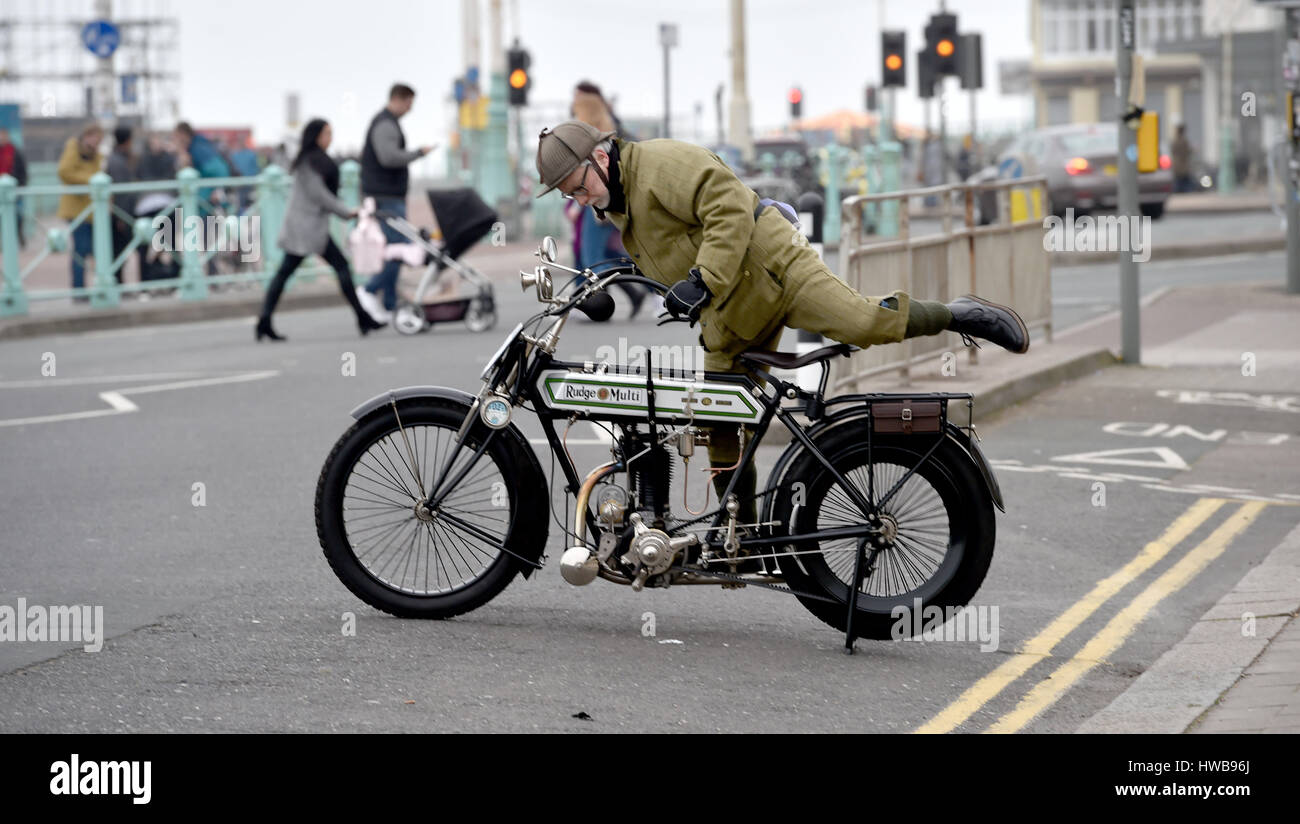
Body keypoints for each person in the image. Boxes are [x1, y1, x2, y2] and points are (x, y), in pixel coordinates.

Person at [535, 119, 1030, 530]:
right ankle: (740, 534)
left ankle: (962, 314)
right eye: (567, 195)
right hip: (732, 308)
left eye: (577, 187)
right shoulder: (620, 207)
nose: (577, 199)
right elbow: (665, 252)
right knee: (721, 416)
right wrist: (601, 285)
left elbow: (727, 205)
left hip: (776, 268)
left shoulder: (659, 164)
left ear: (600, 159)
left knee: (860, 322)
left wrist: (702, 279)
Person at [256, 119, 385, 342]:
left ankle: (264, 321)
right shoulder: (309, 163)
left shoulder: (314, 161)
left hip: (310, 228)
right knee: (337, 267)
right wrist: (347, 212)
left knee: (287, 272)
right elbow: (321, 196)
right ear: (316, 136)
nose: (330, 138)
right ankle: (362, 318)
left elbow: (323, 196)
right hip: (306, 229)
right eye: (326, 133)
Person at [355, 83, 435, 322]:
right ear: (399, 99)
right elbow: (388, 157)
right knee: (400, 249)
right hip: (385, 197)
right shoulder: (385, 124)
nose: (410, 109)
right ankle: (370, 290)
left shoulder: (385, 122)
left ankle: (389, 305)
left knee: (392, 251)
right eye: (409, 103)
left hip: (386, 195)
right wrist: (418, 153)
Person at [570, 80, 645, 317]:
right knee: (606, 255)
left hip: (596, 204)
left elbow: (585, 177)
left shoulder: (587, 138)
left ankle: (597, 306)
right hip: (609, 199)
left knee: (592, 257)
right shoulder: (610, 131)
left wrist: (575, 203)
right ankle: (637, 291)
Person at [57, 123, 104, 298]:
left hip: (91, 209)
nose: (96, 143)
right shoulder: (73, 147)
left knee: (94, 249)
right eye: (95, 138)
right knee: (81, 249)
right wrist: (92, 180)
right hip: (76, 209)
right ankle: (79, 289)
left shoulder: (97, 154)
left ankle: (98, 286)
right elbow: (64, 171)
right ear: (87, 135)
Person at [106, 125, 136, 284]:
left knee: (119, 253)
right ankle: (117, 285)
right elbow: (120, 191)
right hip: (120, 214)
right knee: (118, 252)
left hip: (120, 212)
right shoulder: (117, 160)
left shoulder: (115, 158)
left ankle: (118, 285)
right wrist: (120, 217)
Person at [0, 128, 29, 247]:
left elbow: (22, 171)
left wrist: (20, 186)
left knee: (17, 216)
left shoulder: (15, 151)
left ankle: (17, 237)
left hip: (14, 189)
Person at [1171, 124, 1194, 193]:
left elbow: (1173, 151)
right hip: (1183, 165)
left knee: (1179, 182)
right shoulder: (1184, 141)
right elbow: (1187, 151)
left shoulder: (1175, 141)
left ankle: (1179, 192)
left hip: (1177, 165)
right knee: (1185, 182)